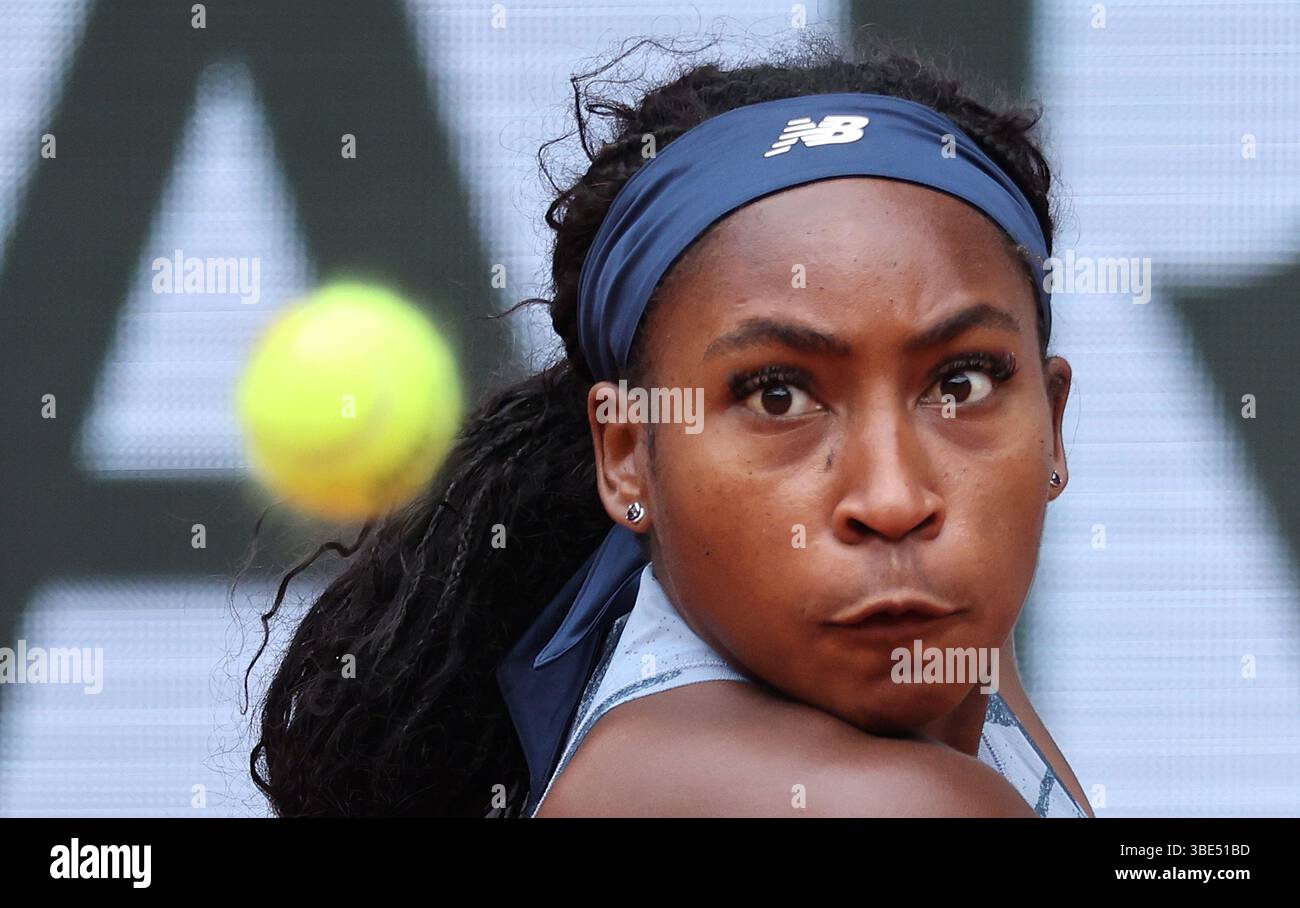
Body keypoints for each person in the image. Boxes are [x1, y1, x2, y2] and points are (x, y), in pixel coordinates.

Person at [248, 31, 1093, 818]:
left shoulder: (932, 638)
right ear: (627, 458)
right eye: (776, 397)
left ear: (1049, 426)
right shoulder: (899, 806)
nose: (894, 495)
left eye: (961, 381)